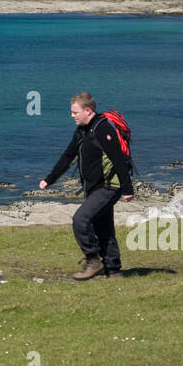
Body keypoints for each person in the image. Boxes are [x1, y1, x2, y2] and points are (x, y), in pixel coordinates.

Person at [38, 92, 134, 280]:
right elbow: (68, 157)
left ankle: (93, 260)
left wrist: (127, 189)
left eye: (75, 112)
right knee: (103, 226)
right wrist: (49, 179)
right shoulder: (82, 131)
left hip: (109, 187)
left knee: (80, 220)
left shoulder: (103, 129)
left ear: (87, 111)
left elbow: (118, 160)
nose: (72, 116)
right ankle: (113, 269)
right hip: (95, 187)